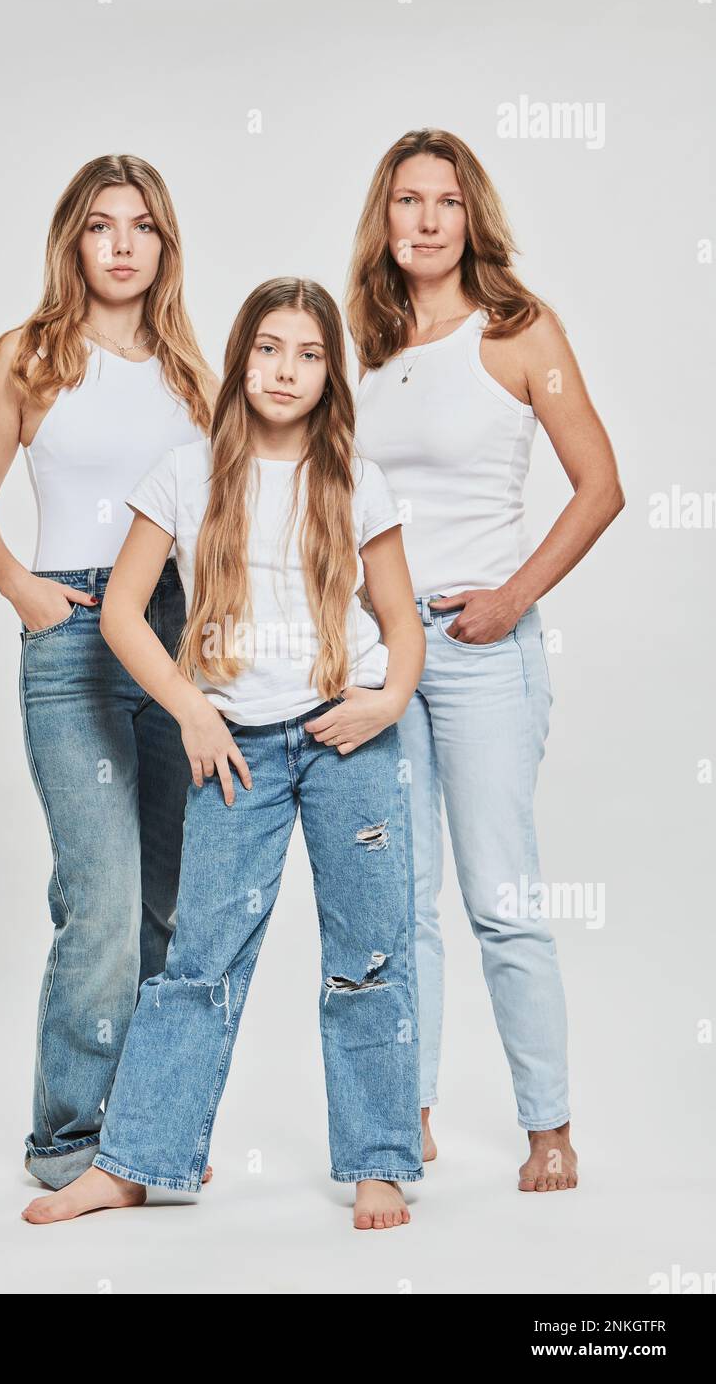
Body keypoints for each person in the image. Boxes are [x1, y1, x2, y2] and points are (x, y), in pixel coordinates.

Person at [21, 277, 427, 1230]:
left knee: (367, 954)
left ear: (330, 373)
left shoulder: (358, 480)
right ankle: (133, 1162)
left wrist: (387, 701)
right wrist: (191, 715)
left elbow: (401, 624)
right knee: (196, 960)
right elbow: (122, 612)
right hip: (233, 746)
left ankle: (376, 1162)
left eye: (310, 354)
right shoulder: (185, 470)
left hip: (345, 737)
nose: (286, 371)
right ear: (241, 357)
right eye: (270, 349)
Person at [348, 128, 625, 1191]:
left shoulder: (518, 330)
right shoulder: (364, 347)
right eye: (407, 201)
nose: (425, 220)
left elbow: (599, 483)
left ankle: (547, 1125)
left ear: (472, 218)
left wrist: (511, 597)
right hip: (385, 652)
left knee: (500, 893)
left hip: (480, 644)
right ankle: (406, 1111)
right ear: (384, 219)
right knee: (399, 898)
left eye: (446, 203)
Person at [0, 154, 215, 1190]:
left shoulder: (192, 370)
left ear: (164, 245)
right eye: (102, 225)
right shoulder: (29, 356)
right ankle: (67, 1140)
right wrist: (21, 586)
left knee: (163, 903)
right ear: (73, 240)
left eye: (142, 226)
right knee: (100, 901)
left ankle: (139, 1135)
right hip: (69, 635)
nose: (121, 244)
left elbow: (220, 514)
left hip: (171, 631)